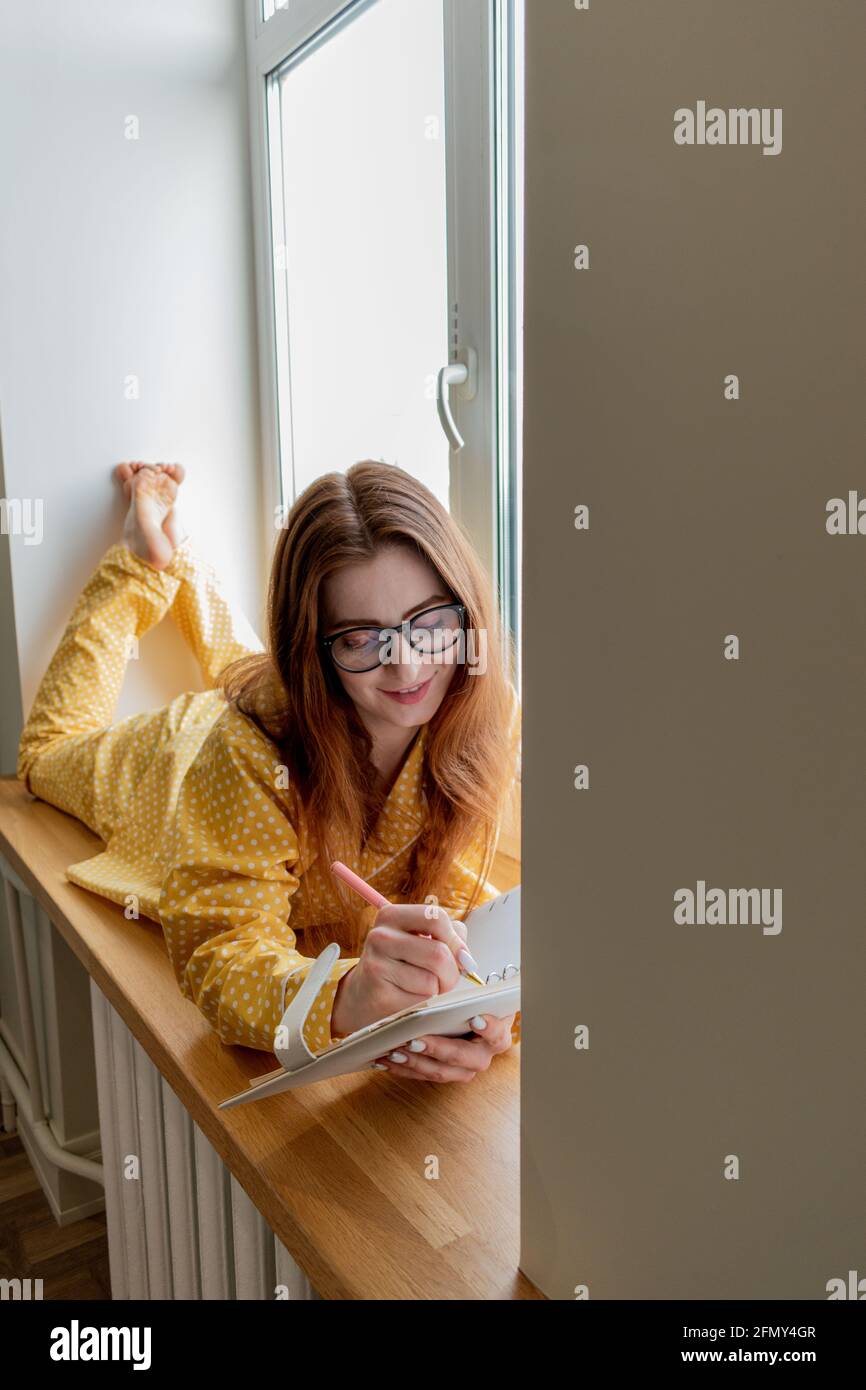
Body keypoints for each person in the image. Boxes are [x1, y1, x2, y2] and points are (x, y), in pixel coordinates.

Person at [17, 460, 521, 1084]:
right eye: (362, 640)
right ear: (315, 651)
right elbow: (221, 956)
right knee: (42, 754)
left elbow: (445, 882)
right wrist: (348, 999)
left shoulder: (482, 706)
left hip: (289, 701)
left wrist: (491, 1014)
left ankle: (180, 558)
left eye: (432, 622)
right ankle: (141, 564)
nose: (410, 668)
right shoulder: (243, 750)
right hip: (171, 762)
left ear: (465, 611)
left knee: (246, 666)